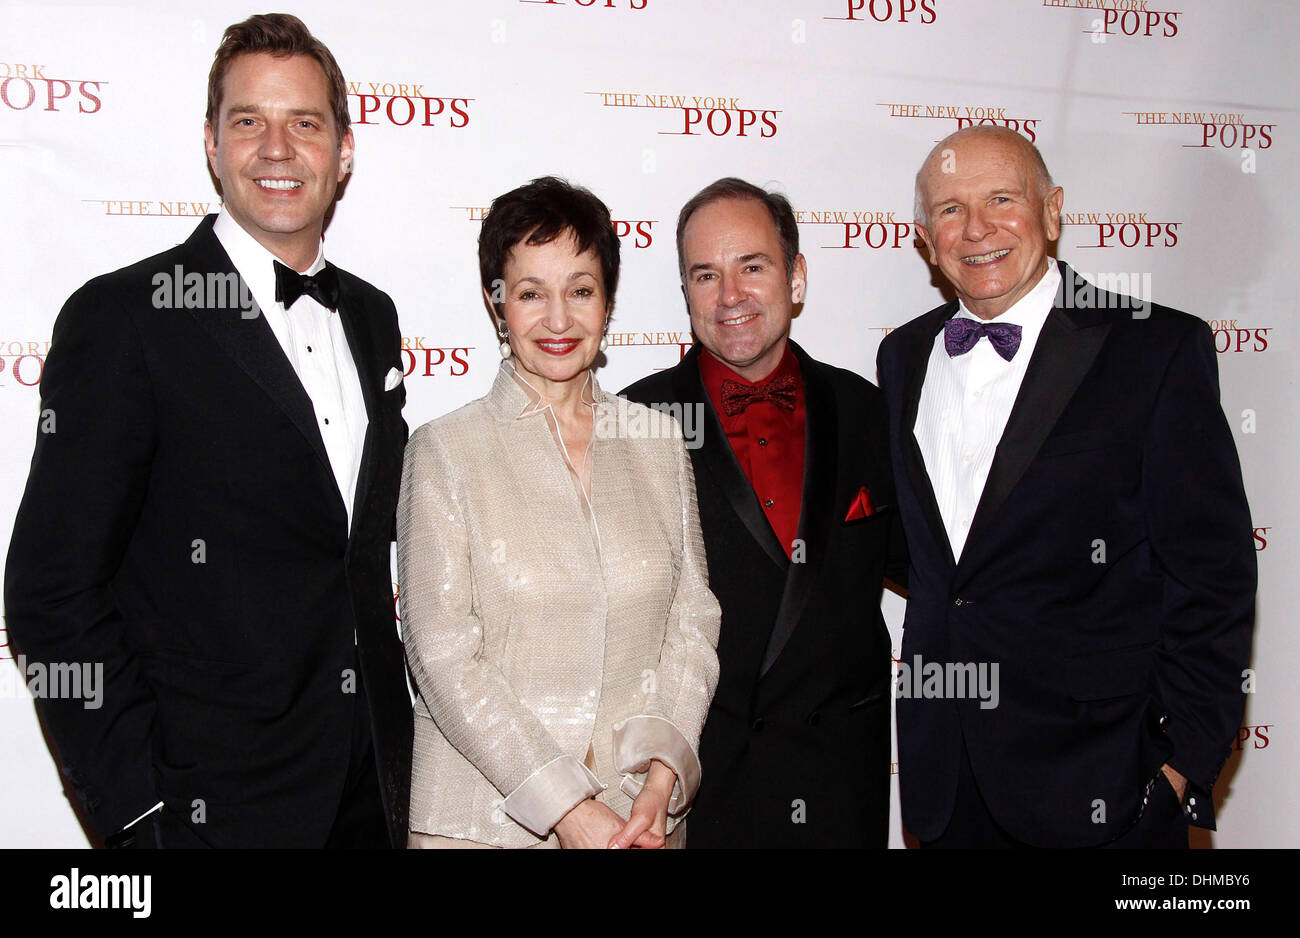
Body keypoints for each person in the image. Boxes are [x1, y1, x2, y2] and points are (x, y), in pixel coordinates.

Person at [4, 14, 411, 848]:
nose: (276, 147)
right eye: (247, 121)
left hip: (374, 791)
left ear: (344, 151)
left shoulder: (371, 317)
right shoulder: (125, 317)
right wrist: (138, 809)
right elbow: (48, 594)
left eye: (304, 122)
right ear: (211, 144)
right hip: (209, 809)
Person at [876, 125, 1256, 848]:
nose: (976, 228)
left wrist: (1179, 768)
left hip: (1106, 783)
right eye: (949, 210)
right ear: (925, 240)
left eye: (1000, 199)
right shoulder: (902, 355)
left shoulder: (1155, 348)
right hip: (946, 782)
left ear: (1052, 212)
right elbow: (937, 561)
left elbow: (1214, 574)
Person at [399, 176, 720, 849]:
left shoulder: (658, 442)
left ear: (607, 303)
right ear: (497, 306)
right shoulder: (446, 452)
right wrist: (566, 806)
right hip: (486, 827)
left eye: (580, 290)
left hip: (642, 822)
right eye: (529, 293)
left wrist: (663, 777)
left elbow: (692, 624)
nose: (558, 319)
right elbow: (442, 656)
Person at [623, 178, 908, 848]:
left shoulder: (868, 411)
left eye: (752, 266)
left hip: (842, 786)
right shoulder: (631, 423)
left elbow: (943, 577)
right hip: (699, 792)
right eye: (705, 275)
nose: (730, 296)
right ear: (685, 292)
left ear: (796, 277)